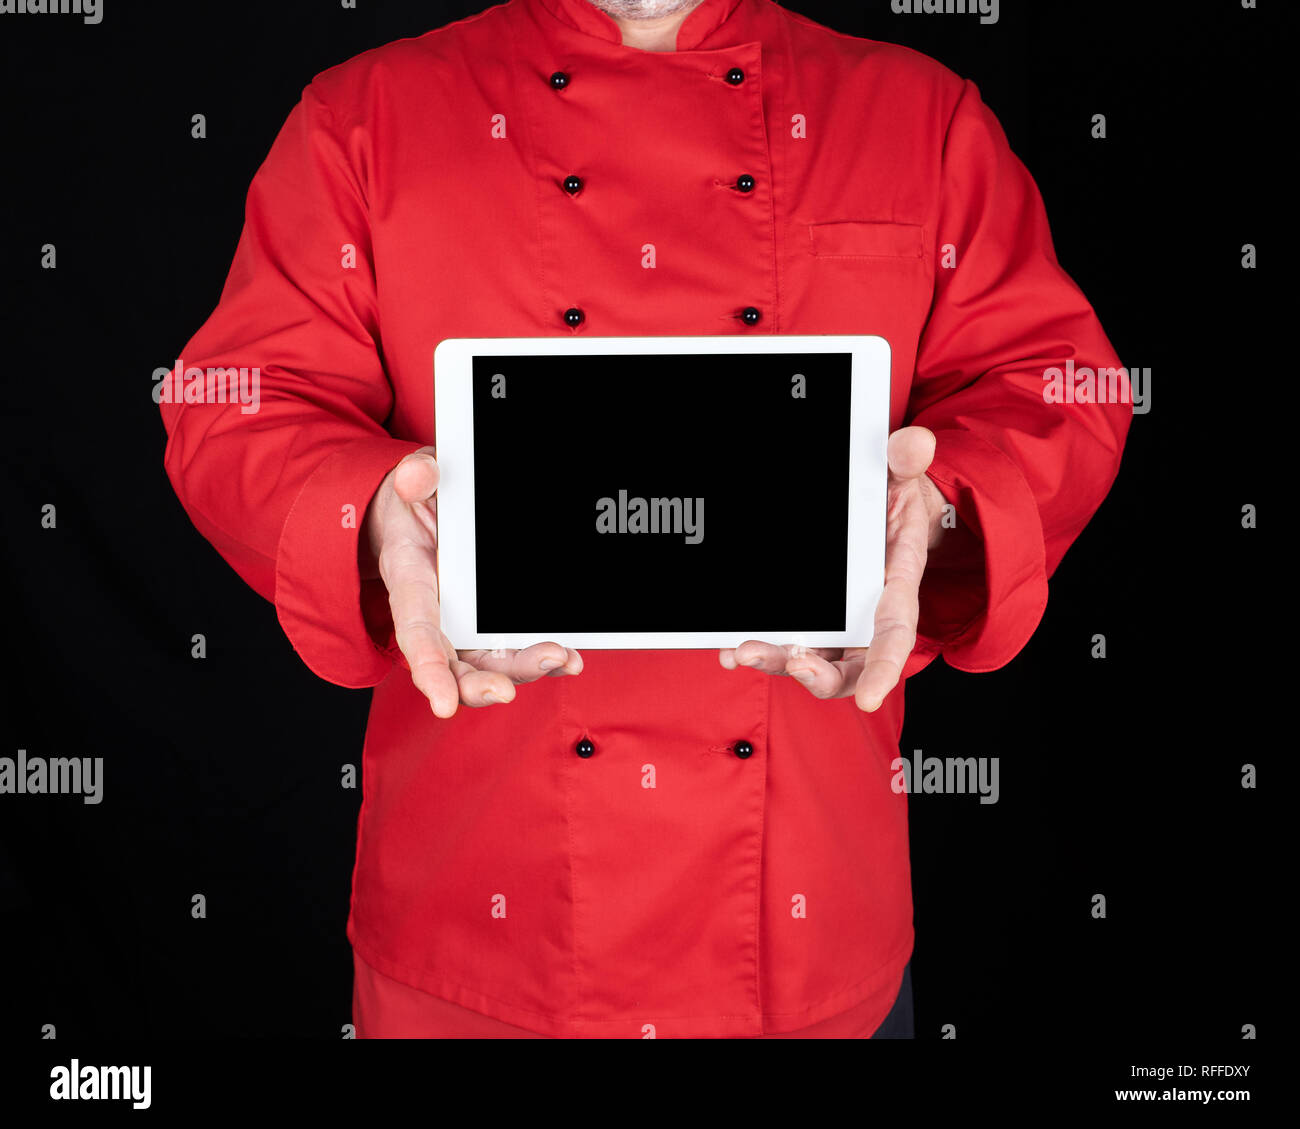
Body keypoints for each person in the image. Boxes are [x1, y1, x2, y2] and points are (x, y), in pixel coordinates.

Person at [159, 0, 1132, 1038]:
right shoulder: (362, 118)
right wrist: (370, 517)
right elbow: (235, 404)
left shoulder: (918, 116)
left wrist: (939, 506)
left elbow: (1057, 389)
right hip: (478, 947)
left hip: (810, 949)